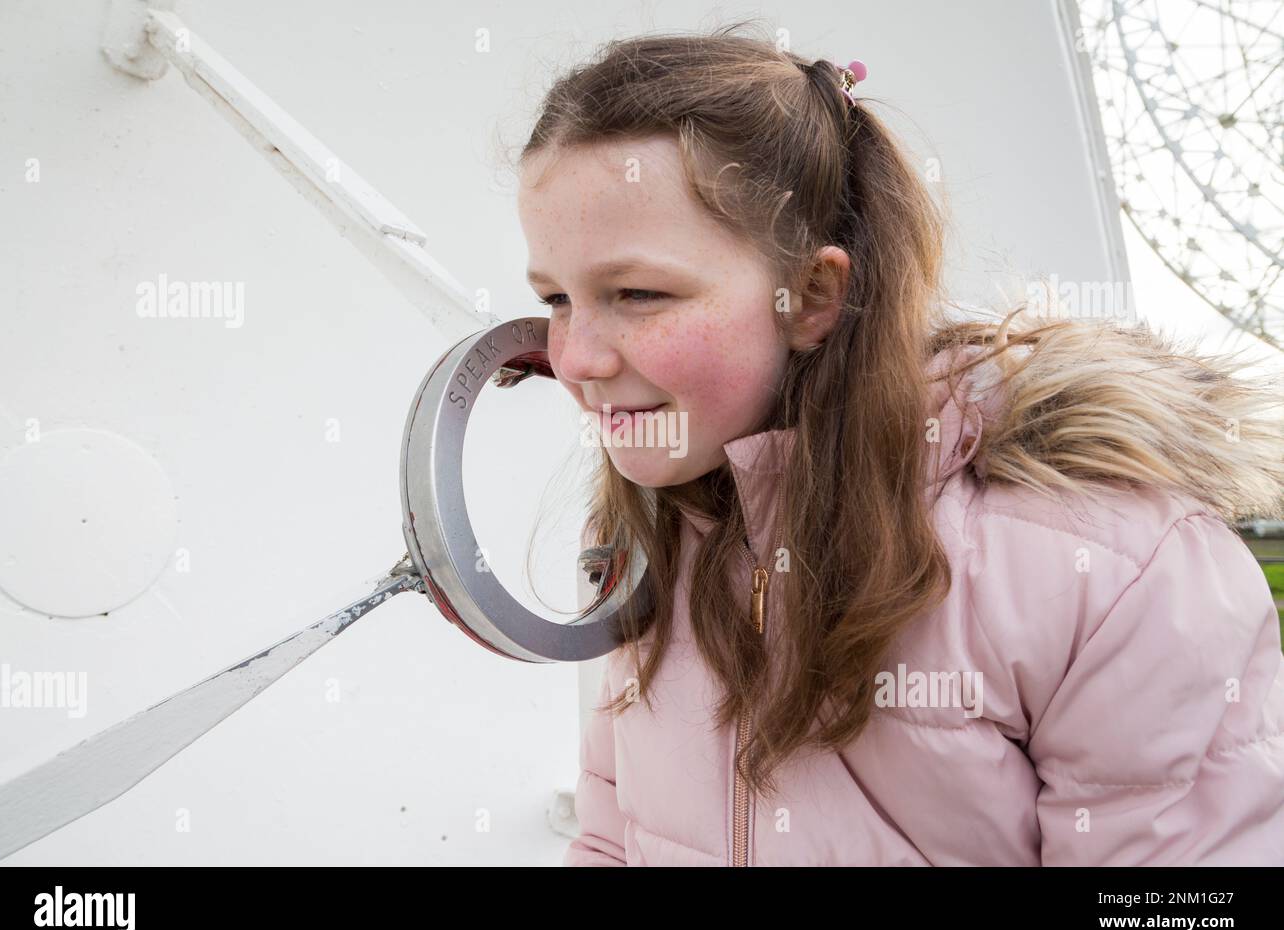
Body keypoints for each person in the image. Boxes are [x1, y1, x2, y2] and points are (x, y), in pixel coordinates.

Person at [515, 25, 1284, 865]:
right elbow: (611, 837)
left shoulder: (1112, 567)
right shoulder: (650, 536)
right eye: (557, 297)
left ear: (811, 295)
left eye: (637, 292)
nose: (577, 358)